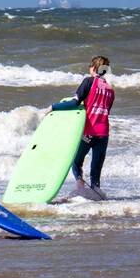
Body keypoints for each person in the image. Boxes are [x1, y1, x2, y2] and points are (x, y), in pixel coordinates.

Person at [50, 55, 114, 196]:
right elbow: (106, 111)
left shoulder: (88, 82)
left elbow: (74, 103)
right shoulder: (110, 89)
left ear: (93, 68)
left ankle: (80, 186)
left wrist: (53, 107)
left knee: (76, 161)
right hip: (104, 133)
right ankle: (96, 193)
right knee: (96, 167)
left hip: (89, 131)